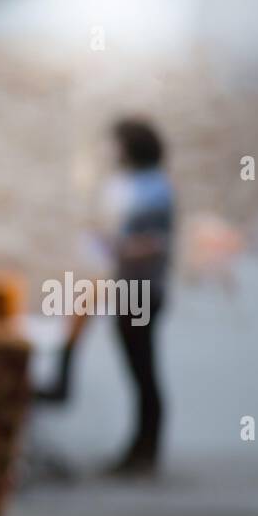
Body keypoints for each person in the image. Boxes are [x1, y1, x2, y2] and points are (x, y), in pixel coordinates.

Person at [101, 118, 175, 475]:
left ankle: (144, 452)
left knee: (143, 372)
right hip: (131, 287)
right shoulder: (135, 185)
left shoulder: (153, 190)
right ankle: (139, 449)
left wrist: (118, 248)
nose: (110, 151)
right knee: (139, 372)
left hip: (141, 290)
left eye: (116, 143)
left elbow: (156, 243)